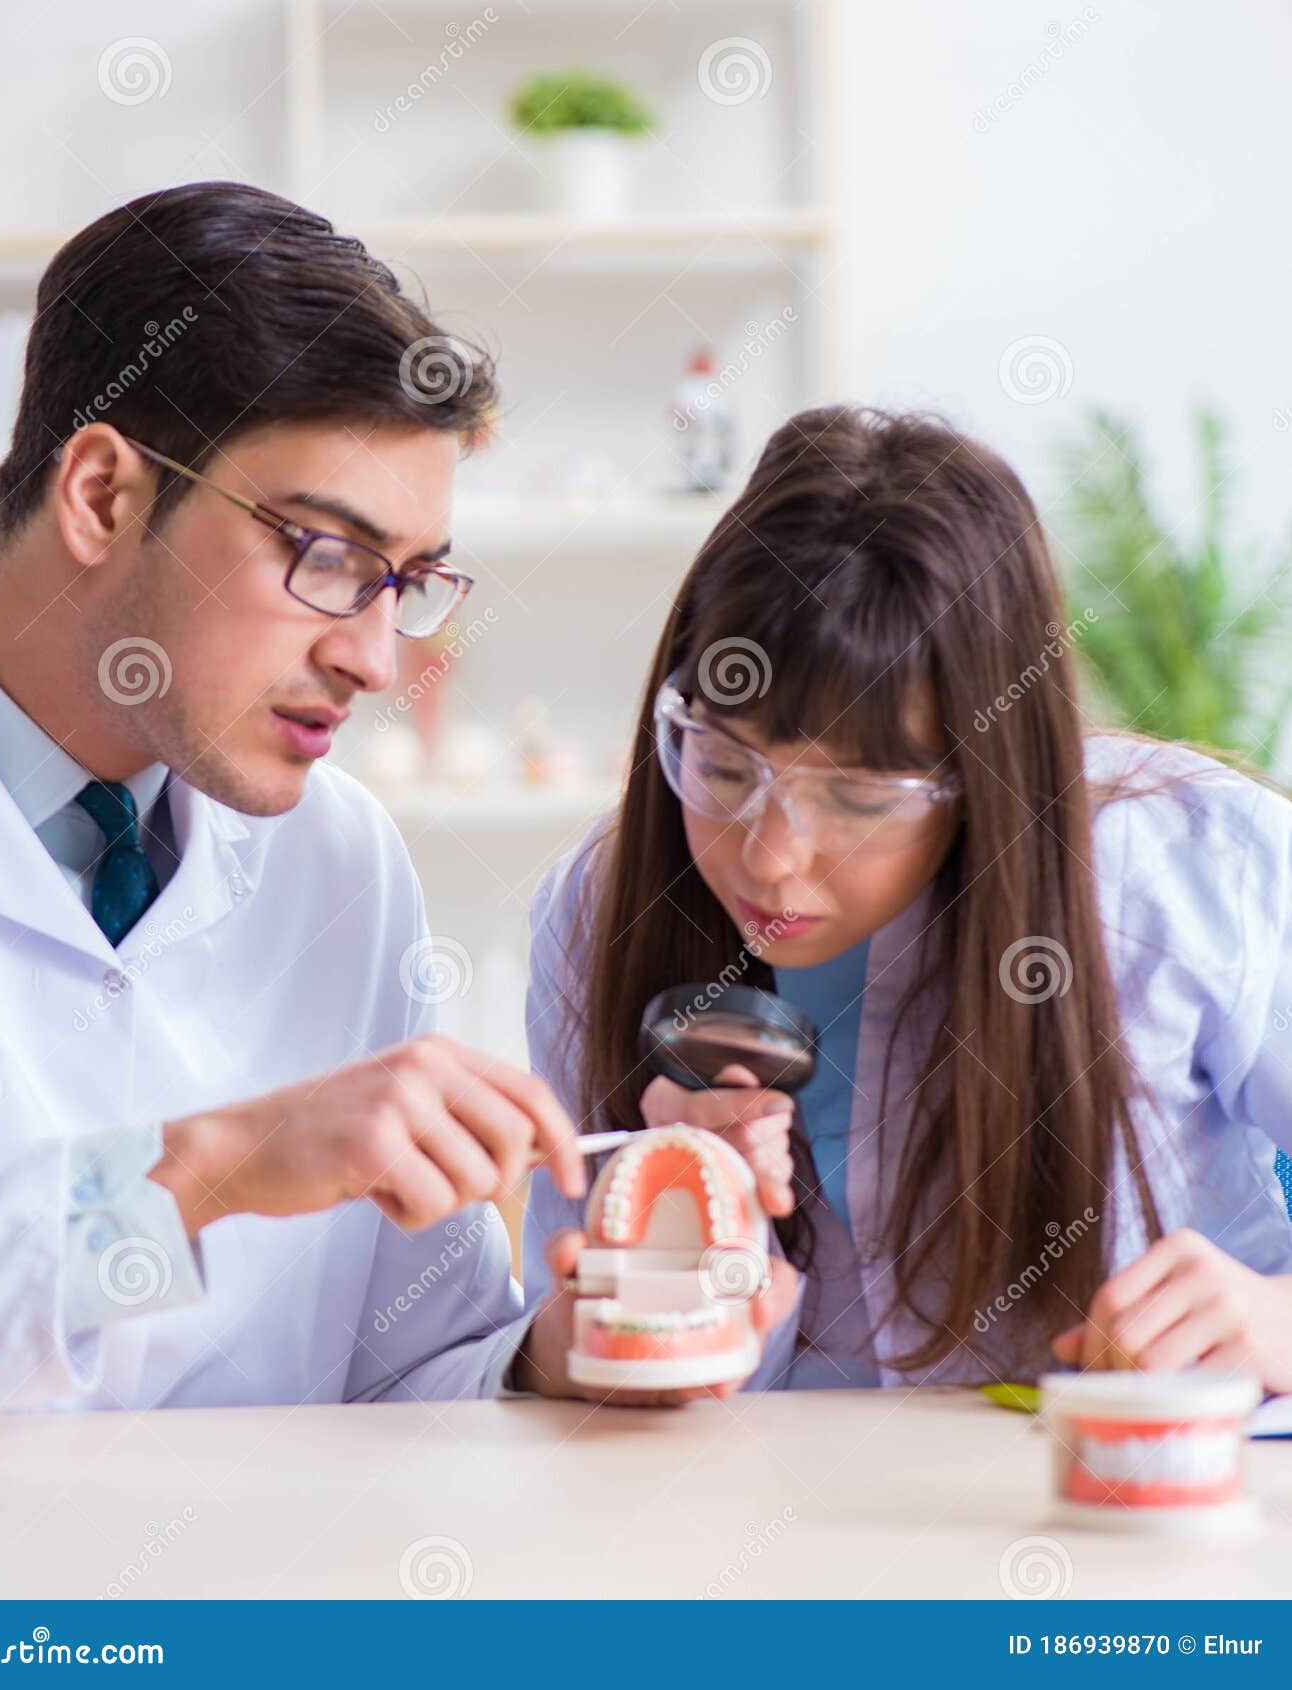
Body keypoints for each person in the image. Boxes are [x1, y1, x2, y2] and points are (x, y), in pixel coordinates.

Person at [0, 180, 604, 1415]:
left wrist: (560, 1355)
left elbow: (410, 1367)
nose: (372, 660)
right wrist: (207, 1172)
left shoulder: (340, 860)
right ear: (103, 495)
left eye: (406, 582)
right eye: (325, 557)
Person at [514, 405, 1292, 1397]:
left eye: (856, 799)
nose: (772, 860)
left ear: (988, 777)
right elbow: (568, 1366)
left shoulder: (1187, 868)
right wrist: (673, 1265)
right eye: (722, 765)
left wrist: (1278, 1320)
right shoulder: (601, 911)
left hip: (1134, 1484)